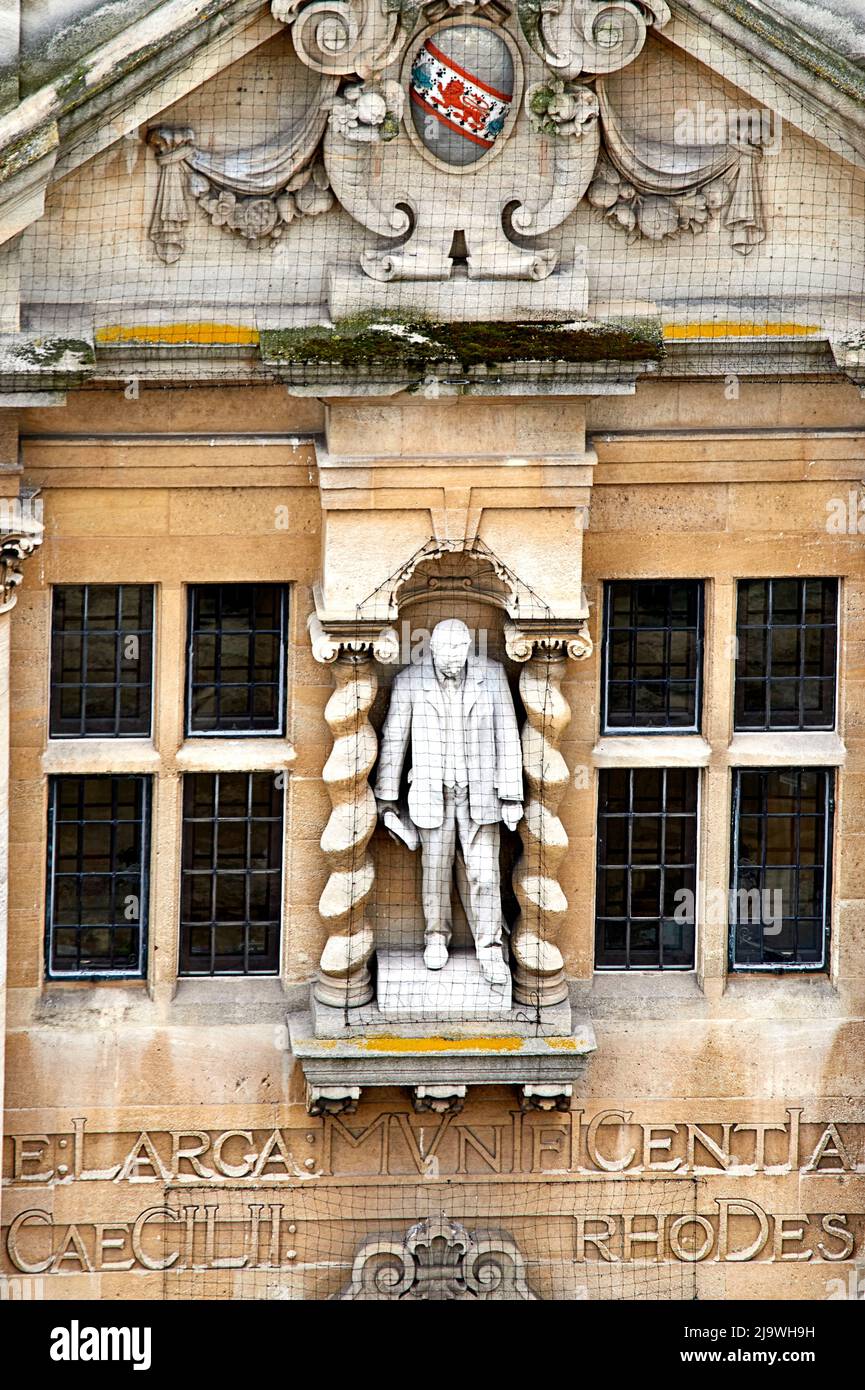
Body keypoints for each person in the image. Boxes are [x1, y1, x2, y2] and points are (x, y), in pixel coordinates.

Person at [375, 618, 524, 986]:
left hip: (481, 795)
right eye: (445, 651)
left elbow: (508, 735)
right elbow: (395, 740)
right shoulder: (409, 681)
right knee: (435, 872)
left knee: (485, 875)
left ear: (469, 649)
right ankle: (435, 938)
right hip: (430, 792)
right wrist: (386, 799)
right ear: (432, 650)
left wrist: (511, 795)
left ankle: (490, 949)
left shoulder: (492, 676)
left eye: (459, 651)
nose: (452, 658)